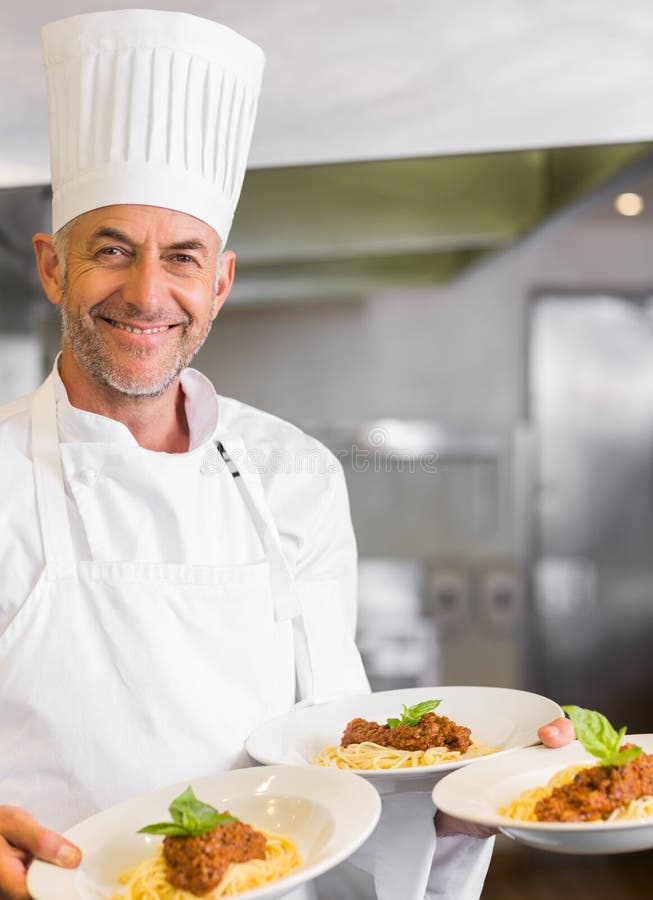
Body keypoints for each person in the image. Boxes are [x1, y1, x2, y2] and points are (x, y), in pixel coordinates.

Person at [0, 9, 573, 900]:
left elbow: (335, 772)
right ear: (50, 264)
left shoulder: (294, 474)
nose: (148, 292)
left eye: (182, 258)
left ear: (219, 283)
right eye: (111, 250)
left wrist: (461, 805)